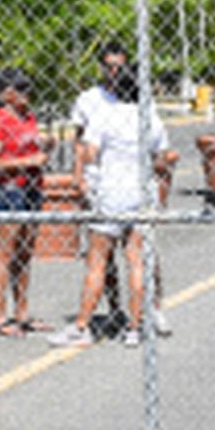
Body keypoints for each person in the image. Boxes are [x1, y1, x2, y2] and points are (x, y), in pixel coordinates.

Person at [53, 44, 176, 348]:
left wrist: (96, 164)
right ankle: (134, 327)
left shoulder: (106, 116)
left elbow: (90, 152)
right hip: (140, 192)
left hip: (111, 192)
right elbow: (163, 158)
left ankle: (82, 326)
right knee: (136, 260)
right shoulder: (151, 118)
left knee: (97, 260)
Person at [0, 69, 47, 337]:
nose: (27, 94)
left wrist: (44, 147)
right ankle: (1, 315)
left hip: (32, 188)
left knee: (25, 252)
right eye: (21, 89)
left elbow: (31, 146)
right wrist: (26, 162)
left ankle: (22, 312)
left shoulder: (28, 117)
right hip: (10, 190)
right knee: (4, 252)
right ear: (6, 94)